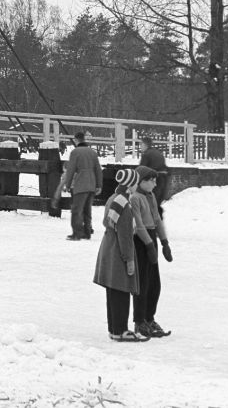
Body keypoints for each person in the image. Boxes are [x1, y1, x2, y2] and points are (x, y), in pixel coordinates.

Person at [93, 168, 145, 342]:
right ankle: (121, 330)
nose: (137, 185)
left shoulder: (112, 199)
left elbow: (105, 222)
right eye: (135, 182)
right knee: (122, 290)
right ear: (130, 184)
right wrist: (129, 259)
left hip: (108, 248)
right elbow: (125, 236)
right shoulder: (125, 204)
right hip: (118, 252)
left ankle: (114, 329)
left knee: (113, 291)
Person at [130, 166, 172, 338]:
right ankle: (140, 321)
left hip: (151, 237)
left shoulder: (151, 196)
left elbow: (156, 219)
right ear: (142, 181)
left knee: (155, 284)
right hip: (141, 241)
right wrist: (148, 245)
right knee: (143, 283)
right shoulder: (135, 199)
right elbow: (138, 225)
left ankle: (149, 317)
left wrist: (164, 242)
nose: (155, 184)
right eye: (152, 180)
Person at [60, 132, 103, 241]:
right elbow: (98, 169)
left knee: (76, 210)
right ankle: (87, 232)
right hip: (91, 184)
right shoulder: (92, 152)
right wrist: (99, 185)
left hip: (80, 184)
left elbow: (71, 170)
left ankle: (77, 233)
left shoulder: (75, 152)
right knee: (87, 210)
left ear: (76, 140)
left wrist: (68, 184)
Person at [137, 136, 171, 208]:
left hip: (153, 181)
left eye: (141, 144)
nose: (140, 146)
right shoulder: (159, 153)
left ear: (145, 145)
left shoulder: (146, 154)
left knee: (149, 205)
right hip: (163, 180)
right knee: (156, 204)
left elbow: (141, 170)